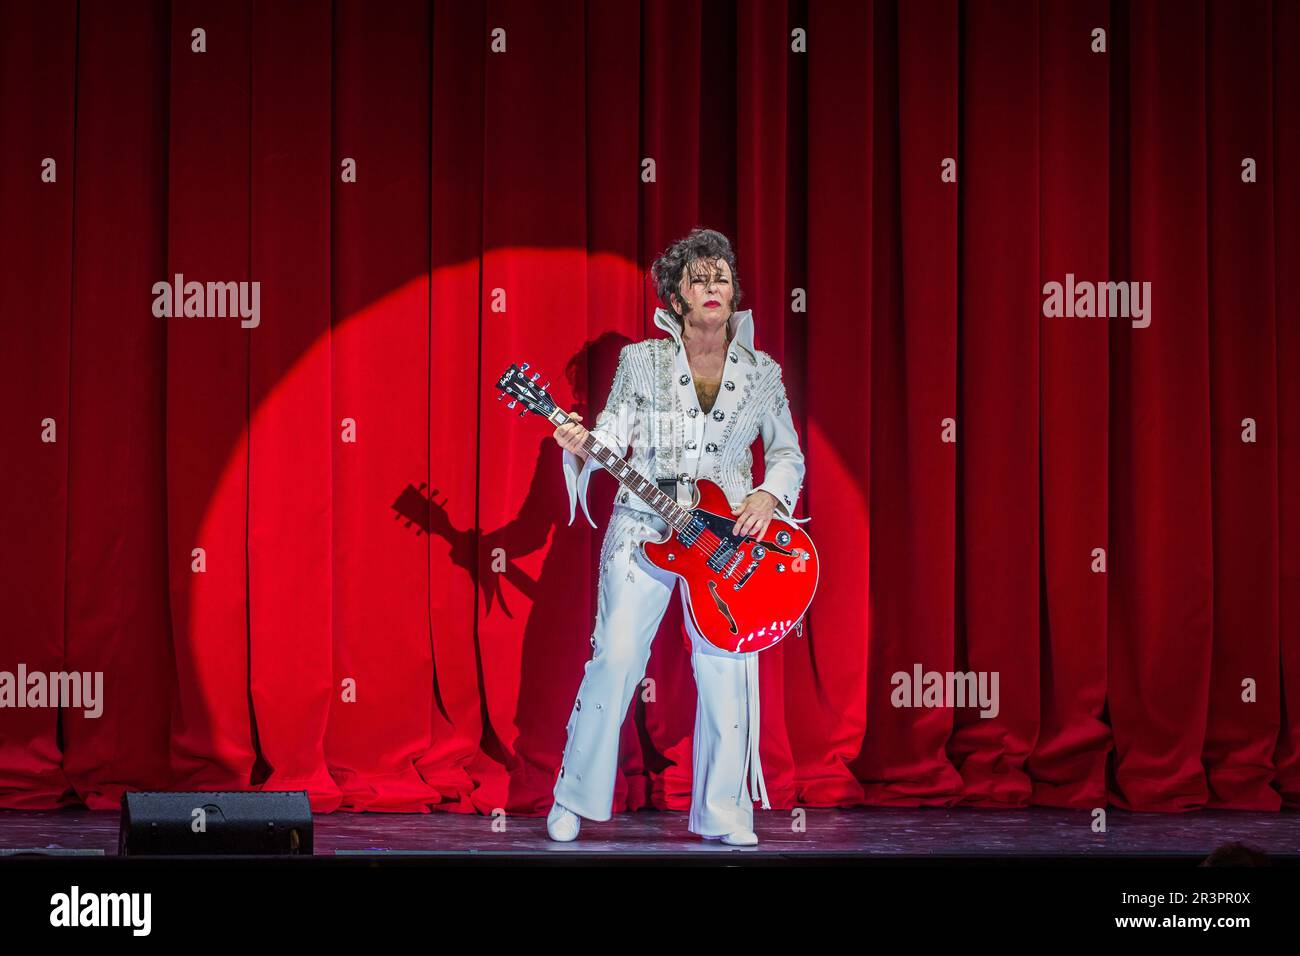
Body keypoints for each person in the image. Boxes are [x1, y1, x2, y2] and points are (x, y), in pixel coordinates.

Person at [547, 228, 809, 845]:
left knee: (724, 667)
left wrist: (769, 496)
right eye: (699, 279)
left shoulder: (761, 371)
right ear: (678, 297)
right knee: (614, 658)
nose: (712, 287)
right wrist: (587, 445)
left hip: (723, 538)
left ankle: (723, 814)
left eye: (721, 277)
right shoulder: (641, 360)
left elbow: (786, 453)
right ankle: (573, 798)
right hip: (645, 524)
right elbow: (613, 433)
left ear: (733, 292)